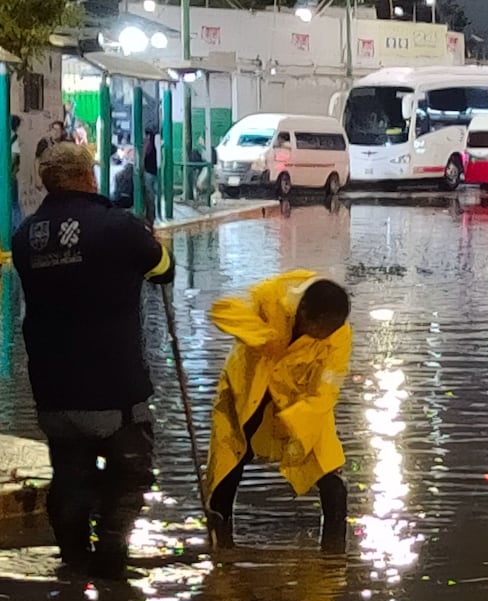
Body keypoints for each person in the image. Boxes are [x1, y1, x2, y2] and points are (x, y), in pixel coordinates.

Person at [10, 142, 175, 578]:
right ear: (89, 177)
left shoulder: (26, 236)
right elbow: (163, 269)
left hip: (53, 392)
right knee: (131, 474)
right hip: (113, 387)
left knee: (70, 477)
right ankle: (112, 564)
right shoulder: (118, 226)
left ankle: (72, 570)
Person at [205, 272, 353, 553]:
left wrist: (297, 424)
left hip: (300, 405)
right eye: (320, 328)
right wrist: (262, 336)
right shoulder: (271, 295)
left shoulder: (338, 334)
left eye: (330, 330)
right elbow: (222, 311)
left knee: (329, 473)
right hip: (248, 394)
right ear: (305, 313)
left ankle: (335, 555)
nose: (324, 335)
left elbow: (327, 390)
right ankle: (219, 546)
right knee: (227, 468)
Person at [143, 129, 159, 222]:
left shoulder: (148, 145)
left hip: (149, 173)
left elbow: (145, 154)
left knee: (150, 196)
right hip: (154, 173)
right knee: (152, 196)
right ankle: (152, 215)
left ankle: (150, 216)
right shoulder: (155, 145)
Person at [9, 115, 21, 228]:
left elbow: (13, 159)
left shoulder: (12, 138)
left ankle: (16, 228)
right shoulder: (13, 138)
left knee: (13, 205)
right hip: (11, 177)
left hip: (10, 177)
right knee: (14, 204)